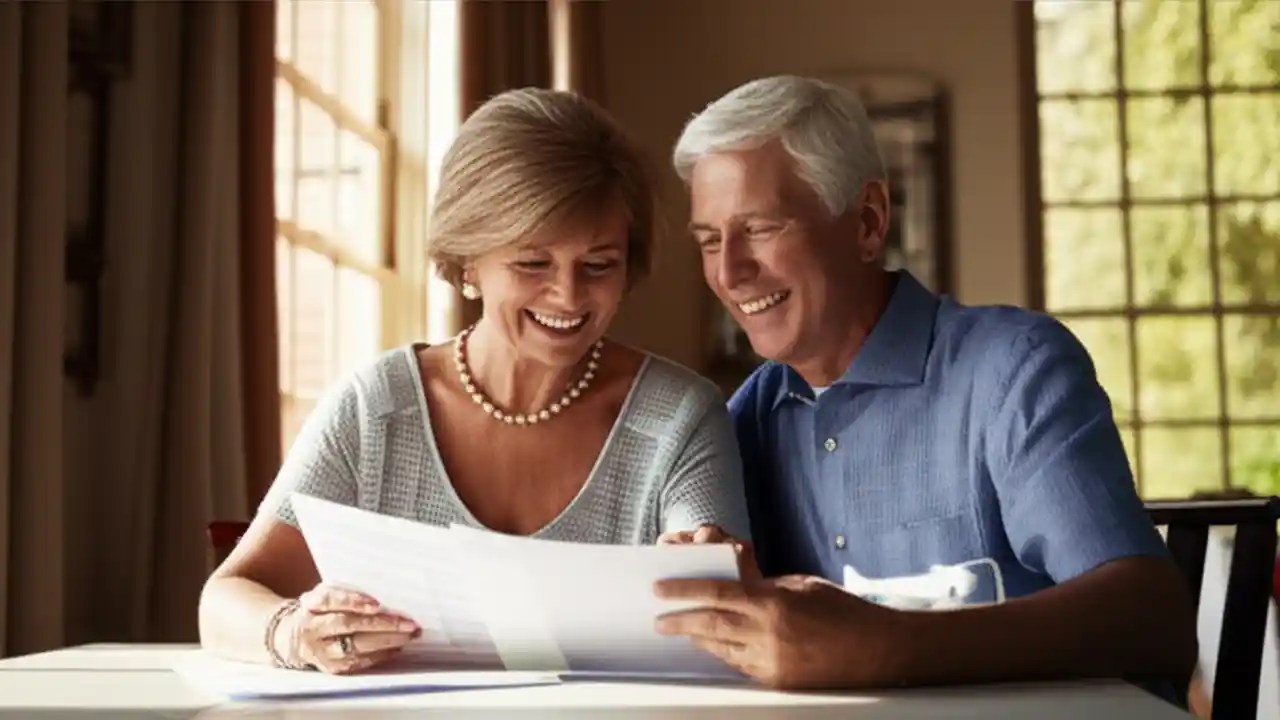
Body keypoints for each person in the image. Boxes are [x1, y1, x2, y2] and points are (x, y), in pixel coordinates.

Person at [653, 75, 1197, 692]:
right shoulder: (742, 419)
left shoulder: (1015, 371)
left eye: (760, 229)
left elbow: (1154, 621)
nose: (729, 272)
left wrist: (880, 646)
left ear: (867, 221)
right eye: (709, 241)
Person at [199, 88, 750, 675]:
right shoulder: (374, 410)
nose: (568, 296)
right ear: (468, 261)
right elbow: (227, 598)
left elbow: (724, 604)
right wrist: (293, 633)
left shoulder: (680, 416)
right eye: (533, 263)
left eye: (598, 265)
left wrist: (706, 567)